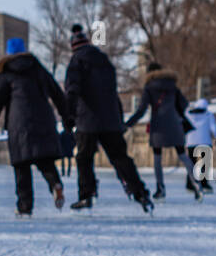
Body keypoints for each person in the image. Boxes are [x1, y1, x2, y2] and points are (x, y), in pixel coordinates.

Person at [62, 25, 151, 213]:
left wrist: (68, 116)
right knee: (120, 157)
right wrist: (118, 119)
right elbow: (112, 93)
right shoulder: (104, 61)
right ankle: (140, 193)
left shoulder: (77, 61)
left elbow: (72, 90)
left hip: (87, 119)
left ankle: (86, 194)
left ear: (73, 46)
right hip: (110, 120)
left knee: (84, 158)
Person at [0, 37, 67, 217]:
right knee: (45, 161)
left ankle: (24, 207)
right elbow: (57, 93)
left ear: (8, 53)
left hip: (19, 125)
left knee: (21, 166)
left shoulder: (6, 73)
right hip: (44, 121)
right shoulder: (37, 68)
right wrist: (67, 117)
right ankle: (55, 184)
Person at [124, 61, 200, 201]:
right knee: (183, 155)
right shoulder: (173, 86)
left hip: (158, 126)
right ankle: (196, 183)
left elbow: (141, 110)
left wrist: (128, 124)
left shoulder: (149, 87)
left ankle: (161, 189)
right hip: (175, 125)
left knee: (158, 159)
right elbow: (184, 104)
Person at [184, 98, 216, 193]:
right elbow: (213, 128)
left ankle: (190, 185)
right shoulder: (208, 115)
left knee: (191, 164)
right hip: (205, 142)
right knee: (204, 164)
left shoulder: (188, 114)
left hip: (191, 142)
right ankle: (204, 184)